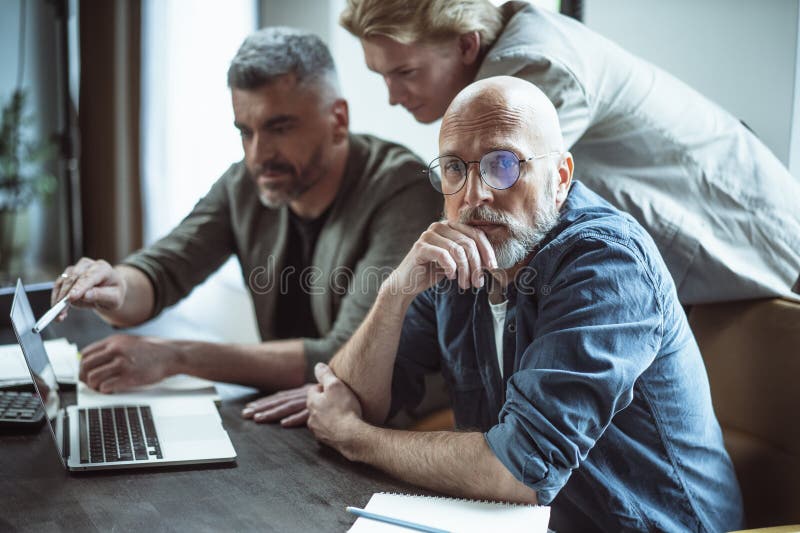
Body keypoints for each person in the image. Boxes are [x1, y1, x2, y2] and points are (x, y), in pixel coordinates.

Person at [306, 77, 744, 532]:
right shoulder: (461, 253)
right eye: (455, 167)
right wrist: (395, 292)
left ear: (559, 179)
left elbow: (519, 471)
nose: (474, 195)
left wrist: (355, 439)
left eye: (503, 164)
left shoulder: (607, 265)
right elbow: (352, 396)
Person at [51, 27, 440, 426]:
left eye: (280, 128)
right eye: (245, 132)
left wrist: (176, 357)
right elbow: (164, 269)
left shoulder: (405, 190)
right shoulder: (248, 182)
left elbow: (346, 355)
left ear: (338, 120)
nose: (258, 155)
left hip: (396, 431)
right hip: (299, 418)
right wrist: (113, 286)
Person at [339, 0, 800, 305]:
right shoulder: (511, 50)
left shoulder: (532, 71)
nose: (393, 96)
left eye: (405, 72)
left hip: (739, 230)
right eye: (381, 75)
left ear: (466, 44)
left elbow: (484, 222)